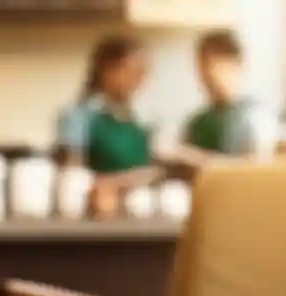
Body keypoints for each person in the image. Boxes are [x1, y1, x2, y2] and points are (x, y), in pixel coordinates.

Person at [57, 34, 162, 200]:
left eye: (143, 73)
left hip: (140, 205)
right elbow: (73, 173)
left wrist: (120, 182)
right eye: (133, 72)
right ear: (107, 70)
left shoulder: (144, 118)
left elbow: (155, 168)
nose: (139, 81)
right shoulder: (80, 117)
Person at [182, 31, 268, 162]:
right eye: (201, 67)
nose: (207, 75)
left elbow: (251, 167)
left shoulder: (256, 117)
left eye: (213, 64)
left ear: (237, 65)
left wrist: (195, 158)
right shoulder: (197, 122)